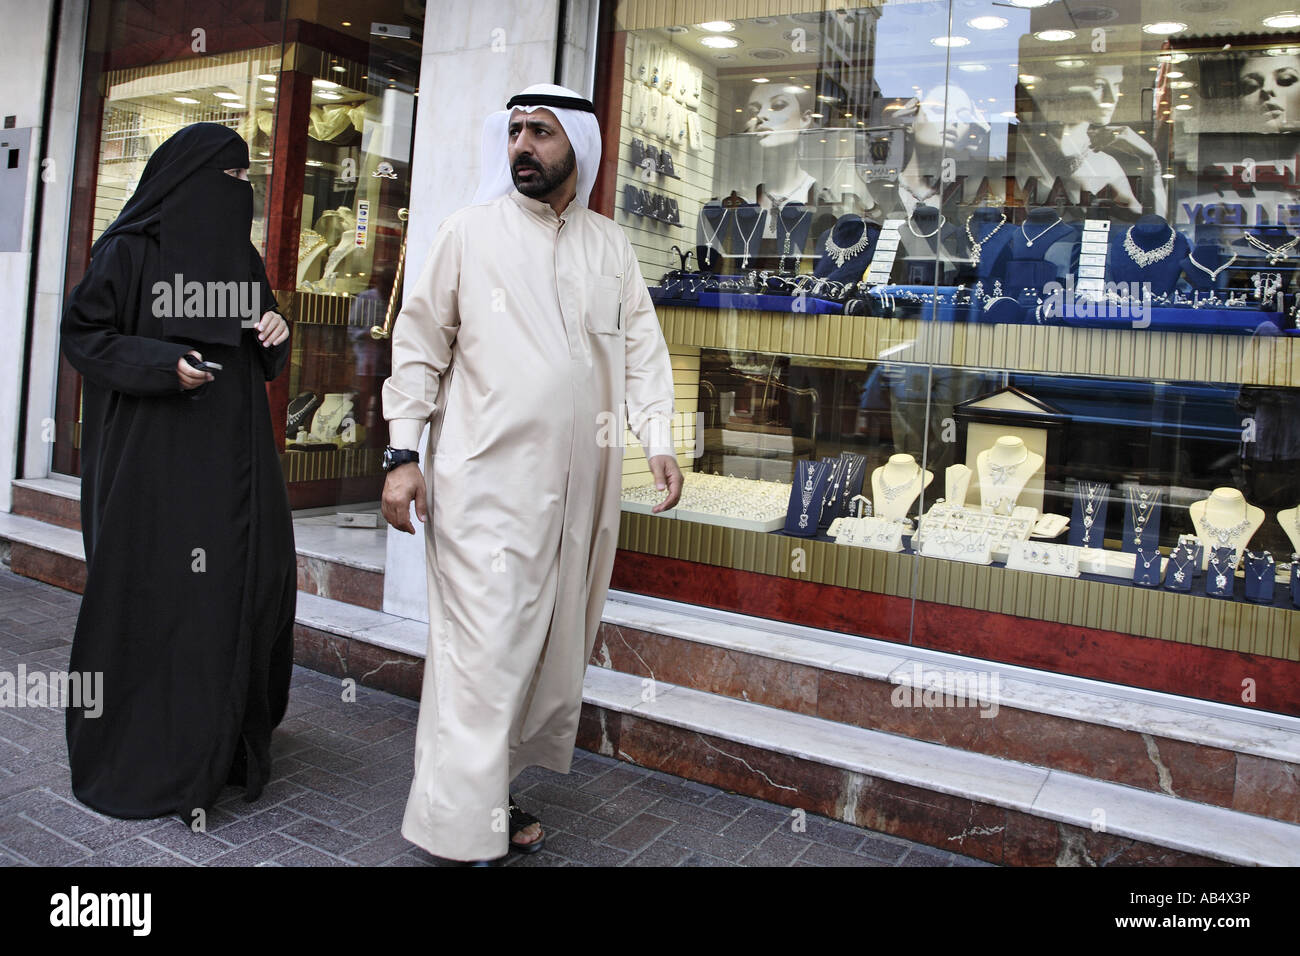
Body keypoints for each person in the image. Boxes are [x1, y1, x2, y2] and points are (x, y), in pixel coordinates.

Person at [380, 83, 681, 864]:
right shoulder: (468, 233)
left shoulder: (611, 246)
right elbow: (418, 347)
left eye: (540, 133)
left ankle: (488, 793)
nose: (523, 146)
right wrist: (403, 453)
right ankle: (457, 831)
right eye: (514, 131)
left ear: (576, 146)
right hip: (486, 488)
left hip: (581, 498)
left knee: (543, 654)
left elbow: (644, 353)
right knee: (481, 657)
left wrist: (659, 440)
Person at [60, 123, 296, 819]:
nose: (243, 191)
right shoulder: (128, 253)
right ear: (188, 180)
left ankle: (221, 744)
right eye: (229, 178)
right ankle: (149, 752)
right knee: (161, 601)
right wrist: (164, 367)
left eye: (246, 179)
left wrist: (275, 333)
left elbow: (263, 338)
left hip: (237, 470)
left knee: (248, 589)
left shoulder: (240, 259)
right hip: (154, 474)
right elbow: (86, 336)